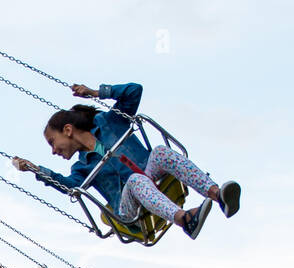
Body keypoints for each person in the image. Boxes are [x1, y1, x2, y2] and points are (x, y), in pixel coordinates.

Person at [14, 82, 241, 241]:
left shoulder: (110, 121)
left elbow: (134, 91)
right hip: (128, 208)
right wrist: (36, 170)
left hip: (150, 177)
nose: (54, 151)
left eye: (53, 142)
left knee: (160, 152)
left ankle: (217, 195)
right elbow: (68, 186)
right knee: (135, 181)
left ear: (68, 130)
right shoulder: (81, 167)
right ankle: (185, 220)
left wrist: (96, 92)